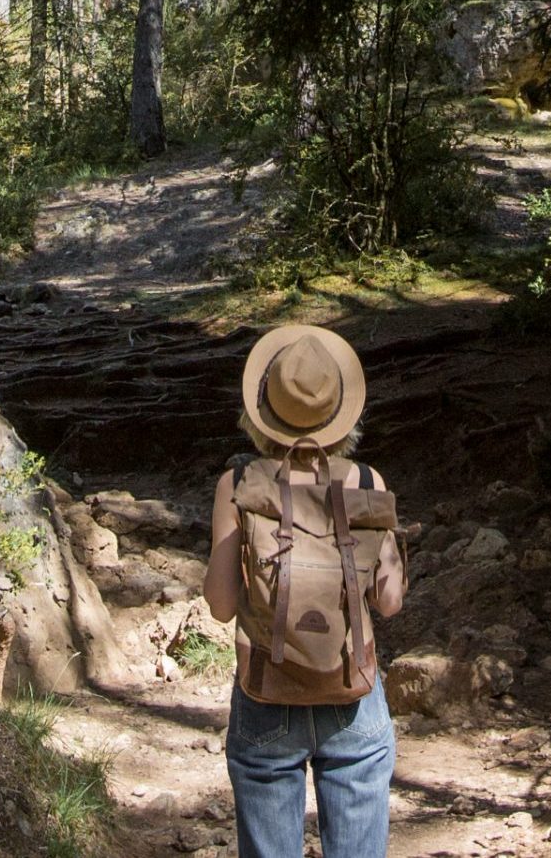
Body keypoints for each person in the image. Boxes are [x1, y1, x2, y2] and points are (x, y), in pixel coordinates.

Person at [204, 324, 407, 858]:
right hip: (352, 692)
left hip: (265, 690)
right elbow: (389, 603)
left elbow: (221, 606)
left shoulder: (240, 482)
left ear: (263, 409)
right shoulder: (367, 482)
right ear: (340, 410)